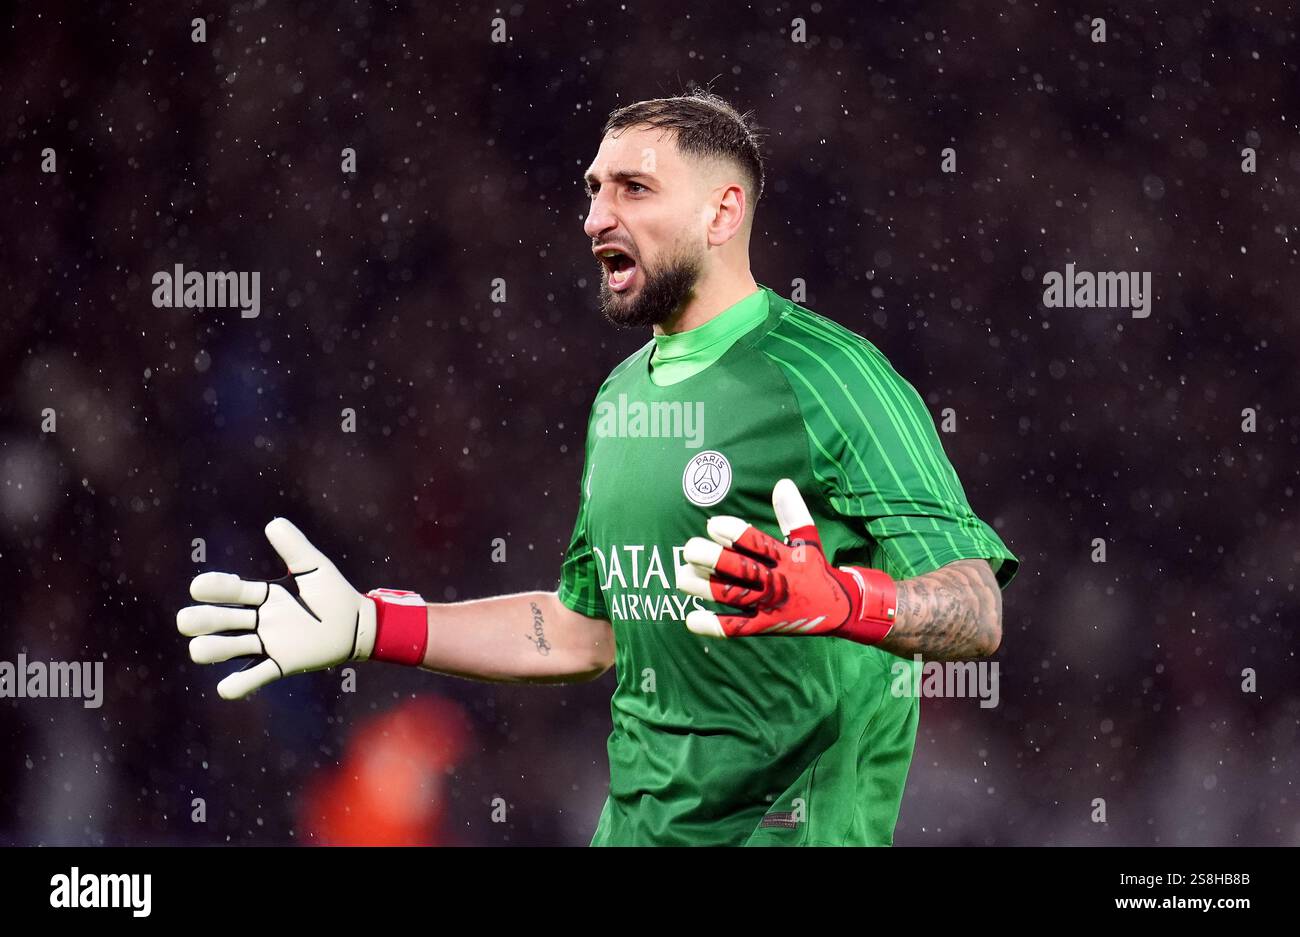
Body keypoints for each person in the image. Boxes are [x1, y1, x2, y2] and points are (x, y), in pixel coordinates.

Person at [177, 90, 1019, 846]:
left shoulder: (833, 377)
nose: (595, 217)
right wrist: (373, 626)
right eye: (593, 189)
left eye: (634, 189)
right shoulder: (620, 397)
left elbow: (976, 610)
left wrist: (843, 600)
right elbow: (584, 633)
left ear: (723, 212)